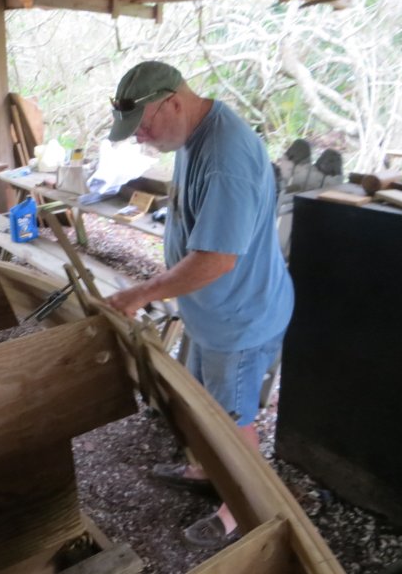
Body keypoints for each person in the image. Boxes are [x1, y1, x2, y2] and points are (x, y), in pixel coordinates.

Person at [105, 61, 294, 549]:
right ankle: (200, 468)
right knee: (202, 401)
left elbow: (215, 261)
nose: (142, 137)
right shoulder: (192, 133)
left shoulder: (225, 155)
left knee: (233, 421)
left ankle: (240, 508)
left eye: (144, 125)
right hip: (210, 310)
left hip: (239, 317)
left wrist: (142, 292)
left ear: (173, 101)